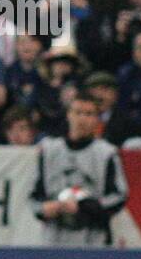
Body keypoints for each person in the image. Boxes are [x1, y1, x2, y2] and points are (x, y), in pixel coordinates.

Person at [29, 92, 128, 246]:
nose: (82, 119)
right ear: (68, 115)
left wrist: (84, 207)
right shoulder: (49, 150)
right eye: (77, 113)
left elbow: (118, 196)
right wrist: (44, 208)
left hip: (93, 238)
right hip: (54, 237)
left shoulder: (106, 153)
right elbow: (34, 195)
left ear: (97, 120)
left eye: (89, 114)